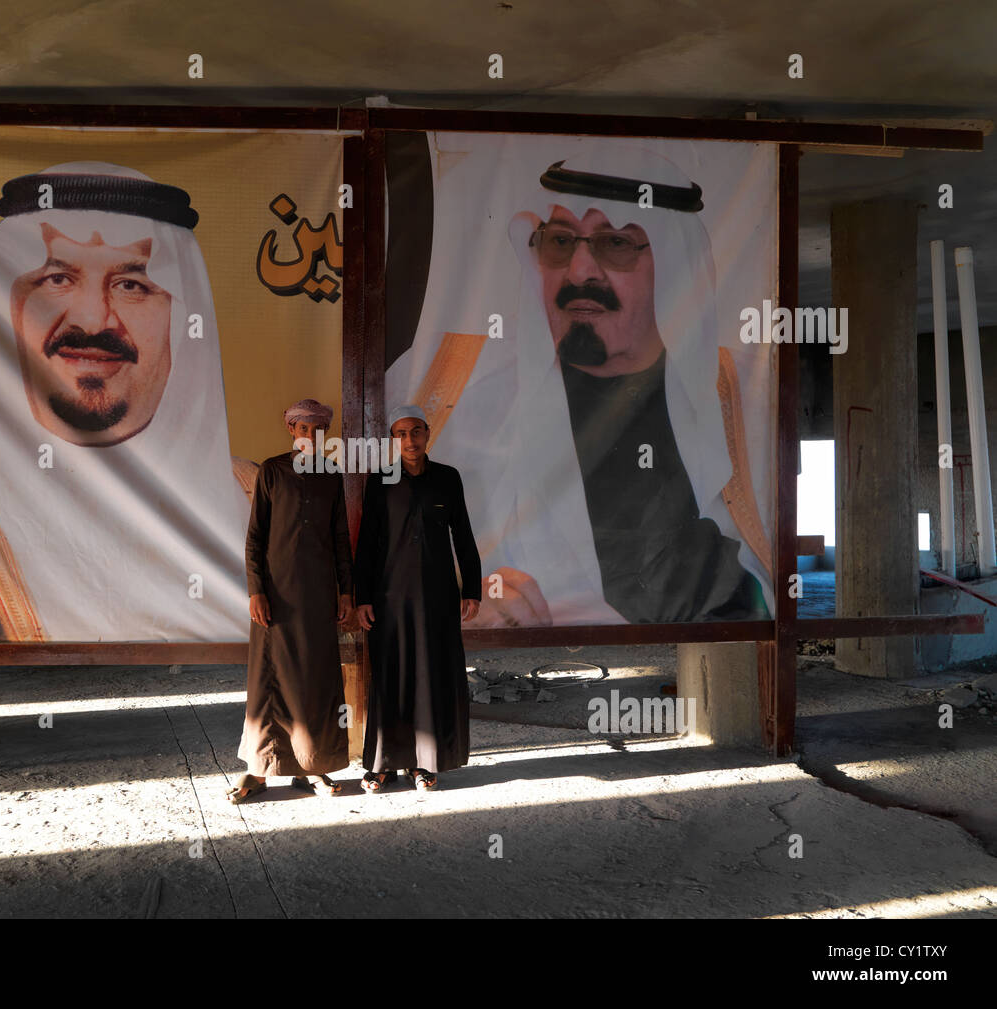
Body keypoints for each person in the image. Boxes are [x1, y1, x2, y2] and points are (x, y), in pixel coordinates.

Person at [0, 162, 252, 642]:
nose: (91, 321)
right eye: (56, 280)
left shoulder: (253, 497)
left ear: (183, 321)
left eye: (132, 286)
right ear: (8, 308)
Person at [395, 144, 774, 626]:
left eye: (615, 243)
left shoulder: (743, 397)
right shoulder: (458, 389)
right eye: (560, 241)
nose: (578, 271)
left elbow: (762, 582)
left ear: (676, 265)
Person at [228, 399, 353, 803]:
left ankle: (314, 768)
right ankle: (259, 772)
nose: (311, 435)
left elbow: (339, 540)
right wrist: (256, 590)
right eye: (304, 428)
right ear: (291, 430)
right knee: (268, 681)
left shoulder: (332, 476)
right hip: (275, 597)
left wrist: (346, 592)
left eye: (319, 429)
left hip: (318, 597)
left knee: (316, 681)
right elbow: (255, 538)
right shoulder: (273, 470)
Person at [353, 405, 481, 792]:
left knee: (431, 676)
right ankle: (383, 764)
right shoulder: (380, 481)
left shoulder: (447, 478)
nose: (410, 440)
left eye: (416, 431)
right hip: (389, 597)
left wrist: (471, 589)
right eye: (401, 433)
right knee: (391, 676)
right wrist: (362, 598)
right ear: (394, 439)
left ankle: (425, 763)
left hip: (437, 597)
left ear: (428, 433)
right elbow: (368, 545)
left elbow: (463, 534)